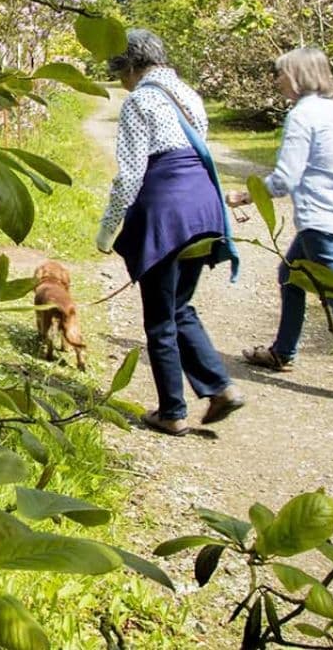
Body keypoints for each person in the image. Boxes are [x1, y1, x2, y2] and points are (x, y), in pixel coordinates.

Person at [225, 46, 333, 407]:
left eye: (281, 73)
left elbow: (286, 178)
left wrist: (246, 195)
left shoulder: (303, 115)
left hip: (322, 216)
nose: (277, 80)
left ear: (299, 76)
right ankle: (283, 352)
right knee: (289, 276)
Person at [95, 29, 245, 435]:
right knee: (180, 306)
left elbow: (130, 175)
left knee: (160, 318)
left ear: (129, 65)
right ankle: (219, 388)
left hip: (167, 213)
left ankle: (172, 412)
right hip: (203, 210)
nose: (121, 82)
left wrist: (108, 229)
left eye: (119, 72)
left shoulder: (140, 100)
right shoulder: (188, 94)